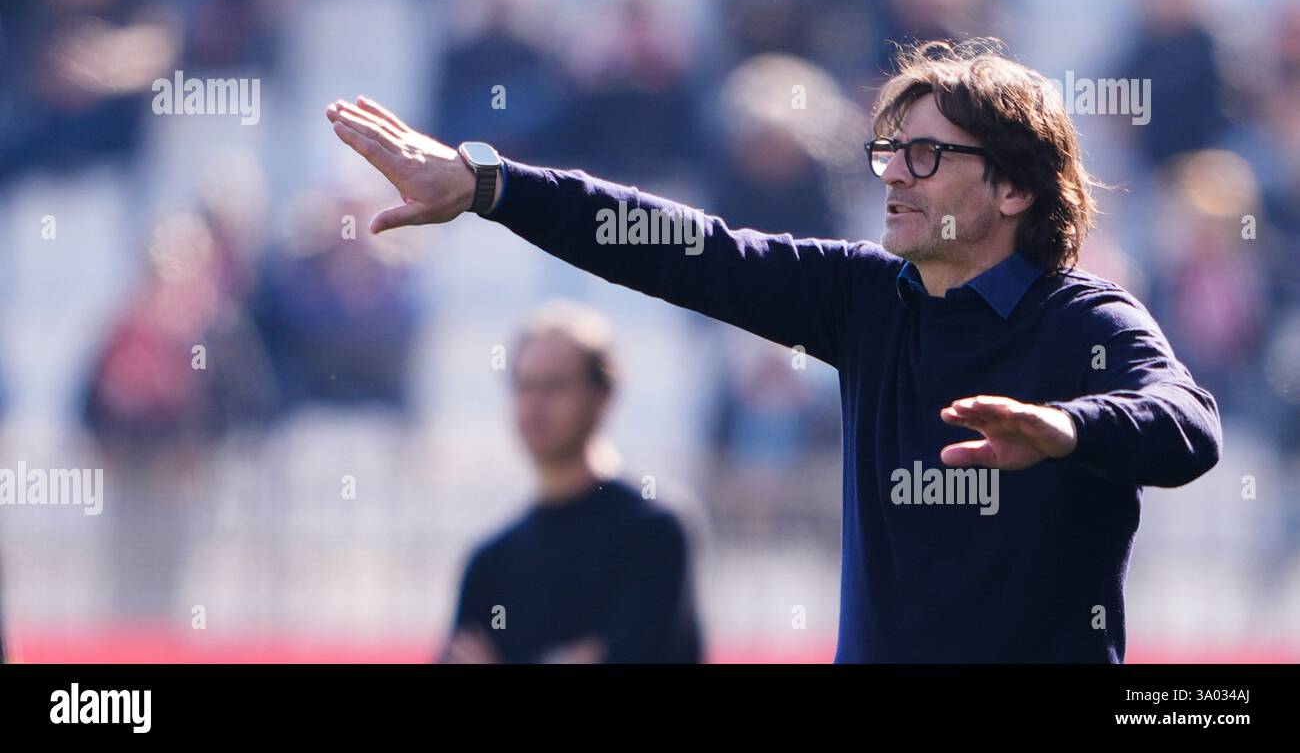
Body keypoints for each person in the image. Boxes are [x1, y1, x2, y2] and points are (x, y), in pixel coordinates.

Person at [325, 39, 1222, 663]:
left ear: (1017, 185)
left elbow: (1187, 425)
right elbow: (681, 247)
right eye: (886, 152)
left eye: (924, 155)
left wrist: (1066, 427)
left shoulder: (1084, 321)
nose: (892, 176)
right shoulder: (867, 299)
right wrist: (492, 184)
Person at [440, 301, 701, 664]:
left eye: (554, 386)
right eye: (523, 386)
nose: (534, 405)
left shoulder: (654, 532)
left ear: (602, 397)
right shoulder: (490, 563)